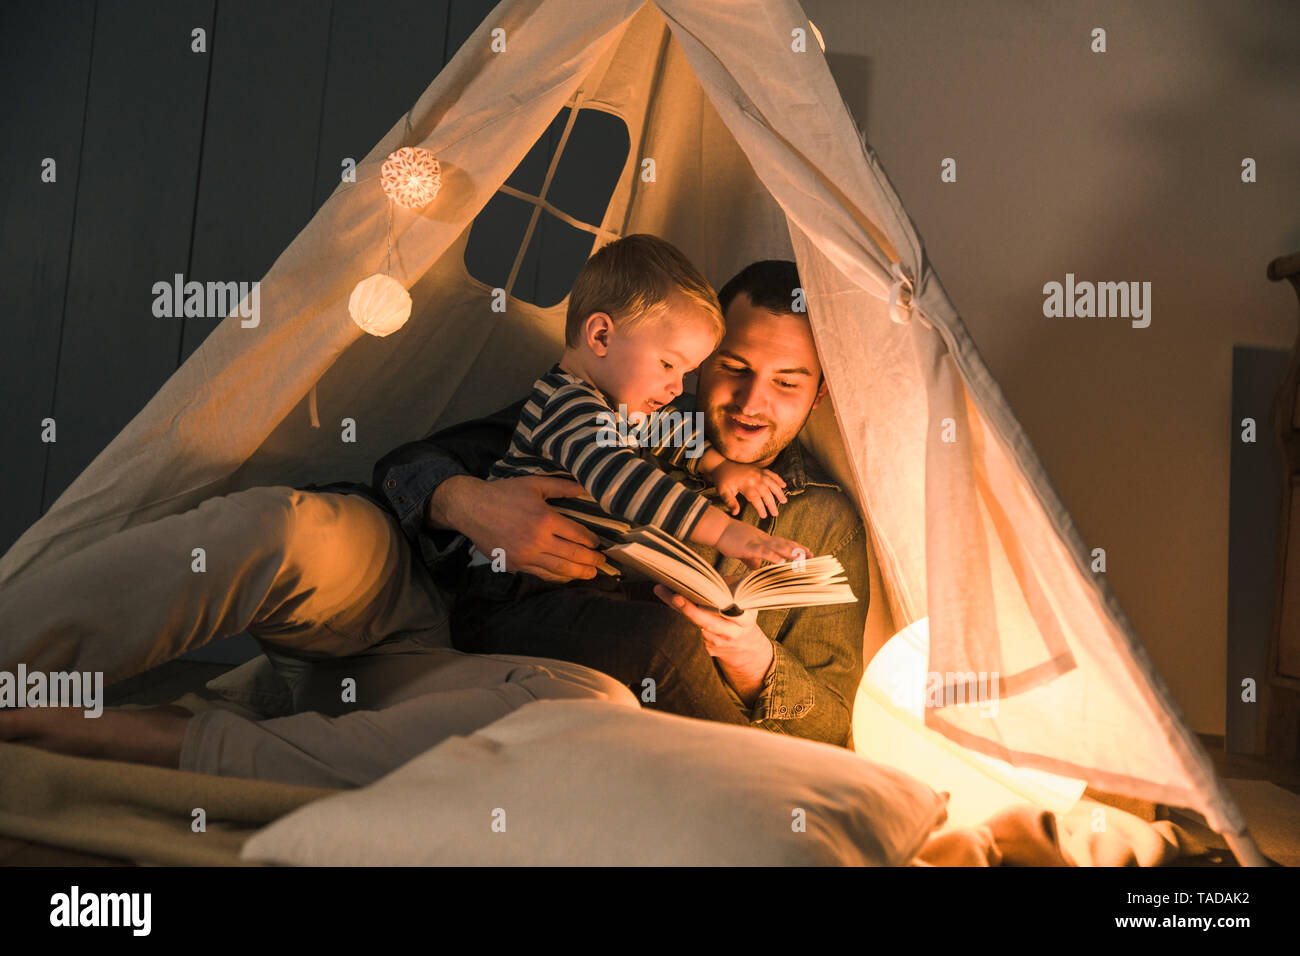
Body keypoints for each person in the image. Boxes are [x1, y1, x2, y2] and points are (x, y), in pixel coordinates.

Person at [0, 256, 868, 786]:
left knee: (581, 708)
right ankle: (16, 663)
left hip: (490, 667)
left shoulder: (822, 520)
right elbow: (408, 463)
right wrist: (473, 504)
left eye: (787, 382)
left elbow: (834, 727)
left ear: (818, 392)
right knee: (287, 526)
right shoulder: (616, 405)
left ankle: (159, 747)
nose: (750, 400)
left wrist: (754, 663)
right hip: (411, 582)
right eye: (730, 369)